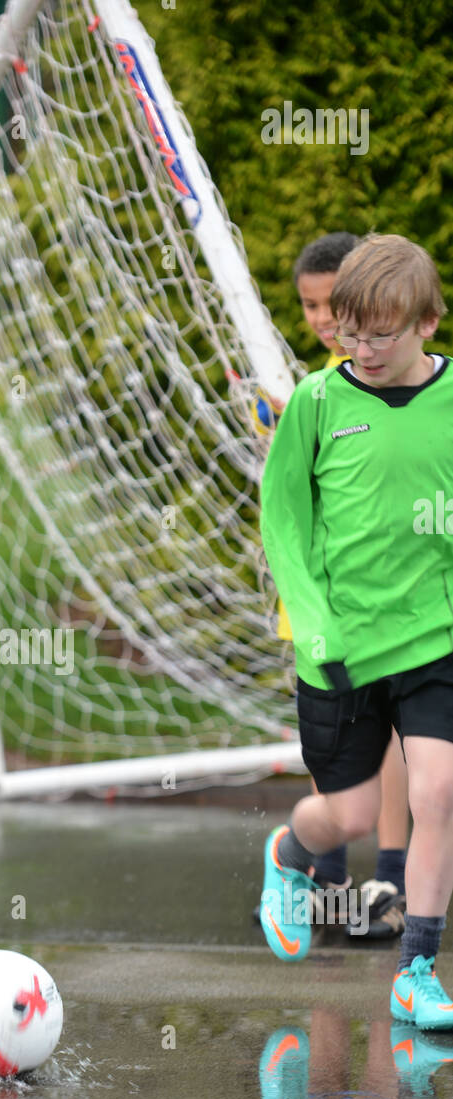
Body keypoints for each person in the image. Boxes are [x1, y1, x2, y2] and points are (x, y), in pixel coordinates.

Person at [259, 233, 453, 1030]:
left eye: (381, 332)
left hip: (434, 640)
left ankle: (416, 968)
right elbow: (283, 525)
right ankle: (289, 858)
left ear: (427, 325)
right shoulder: (313, 403)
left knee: (438, 790)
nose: (361, 348)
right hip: (338, 647)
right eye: (348, 330)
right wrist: (312, 627)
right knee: (345, 816)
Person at [267, 233, 410, 938]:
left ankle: (387, 876)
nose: (323, 319)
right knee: (337, 759)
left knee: (397, 747)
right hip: (321, 610)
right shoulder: (315, 393)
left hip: (395, 612)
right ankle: (325, 878)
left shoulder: (390, 375)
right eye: (310, 306)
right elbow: (289, 508)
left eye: (333, 304)